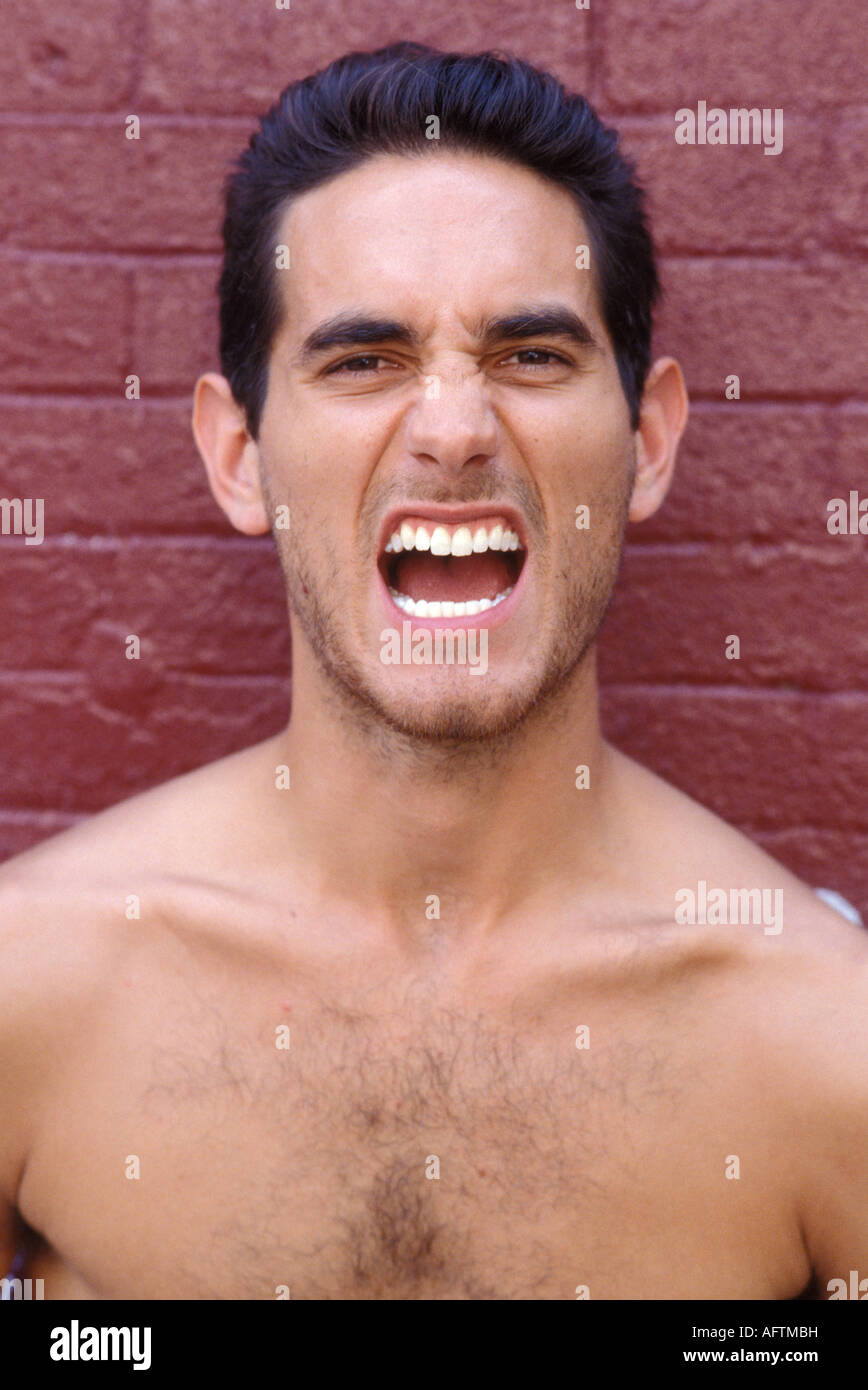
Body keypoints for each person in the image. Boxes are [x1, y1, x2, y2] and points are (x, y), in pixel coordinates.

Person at [1, 43, 865, 1302]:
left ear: (649, 439)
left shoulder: (821, 1043)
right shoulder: (33, 981)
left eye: (530, 355)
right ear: (239, 454)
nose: (456, 431)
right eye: (364, 360)